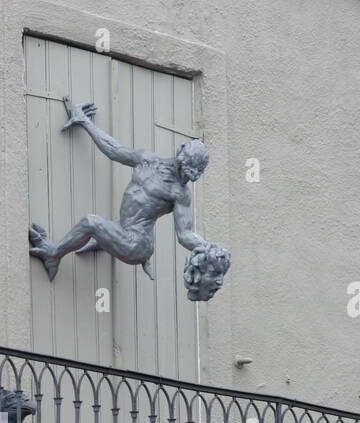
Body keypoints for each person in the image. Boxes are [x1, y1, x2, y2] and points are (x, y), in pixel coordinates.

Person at [29, 96, 230, 300]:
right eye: (184, 169)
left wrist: (207, 247)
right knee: (97, 226)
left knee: (90, 222)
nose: (184, 178)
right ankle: (104, 239)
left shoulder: (180, 193)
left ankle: (53, 254)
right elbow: (114, 150)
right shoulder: (147, 159)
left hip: (138, 244)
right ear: (179, 152)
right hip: (125, 229)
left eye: (190, 175)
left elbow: (185, 234)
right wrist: (84, 121)